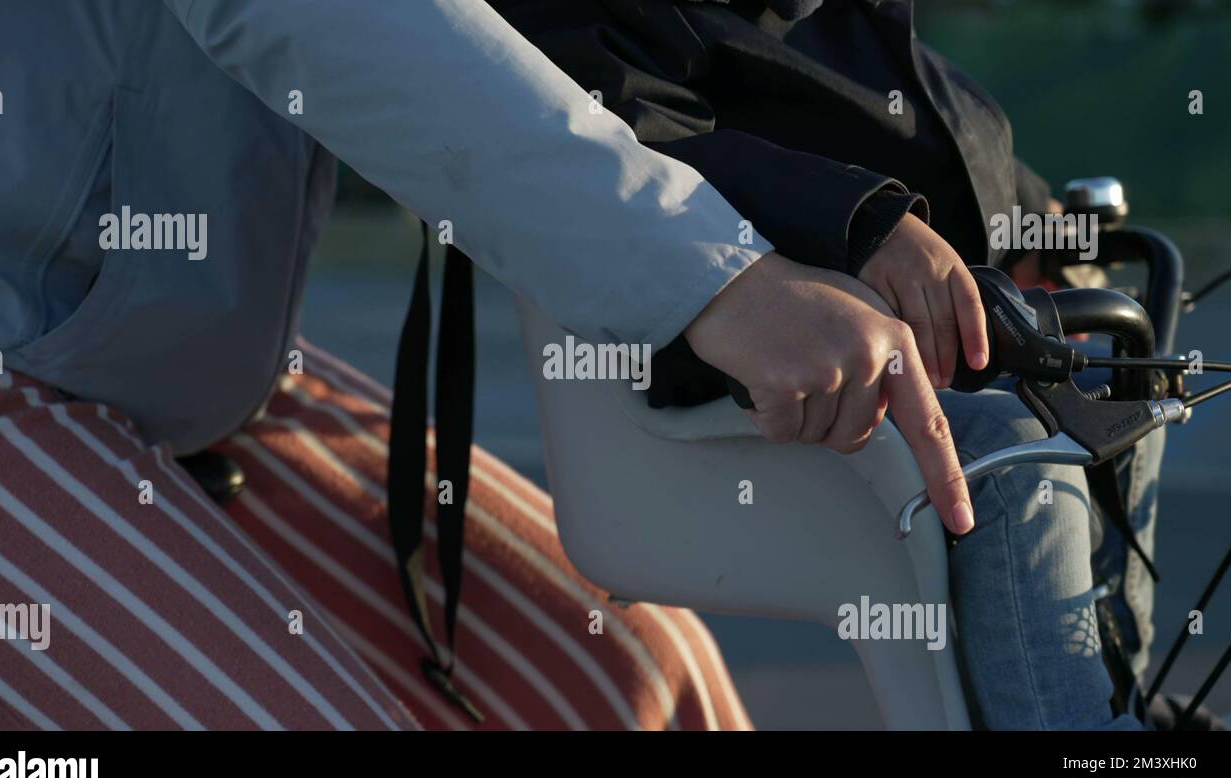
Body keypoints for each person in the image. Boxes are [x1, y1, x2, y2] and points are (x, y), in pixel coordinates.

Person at [487, 0, 1164, 729]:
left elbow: (911, 125)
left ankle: (1123, 701)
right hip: (710, 381)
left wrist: (1031, 216)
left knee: (1125, 388)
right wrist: (861, 221)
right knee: (1018, 450)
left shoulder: (838, 18)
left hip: (899, 356)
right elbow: (589, 135)